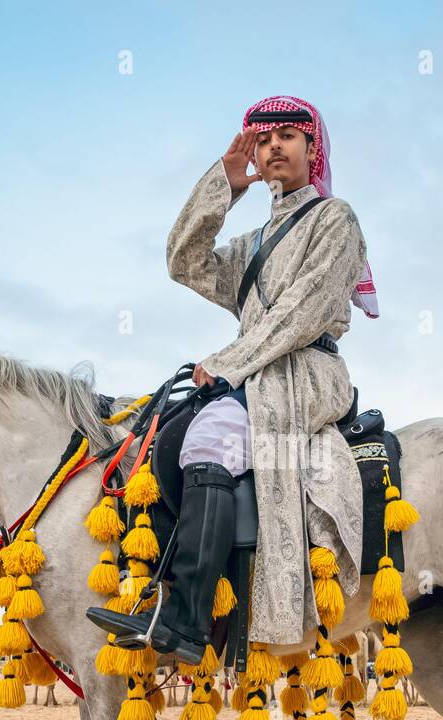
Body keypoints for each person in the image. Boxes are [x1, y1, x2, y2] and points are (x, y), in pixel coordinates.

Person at [89, 95, 374, 663]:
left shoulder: (335, 218)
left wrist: (225, 363)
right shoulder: (253, 243)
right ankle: (182, 597)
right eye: (264, 138)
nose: (273, 146)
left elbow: (303, 310)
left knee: (209, 437)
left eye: (288, 135)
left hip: (306, 369)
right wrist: (224, 185)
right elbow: (184, 261)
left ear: (312, 149)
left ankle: (187, 619)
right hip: (255, 371)